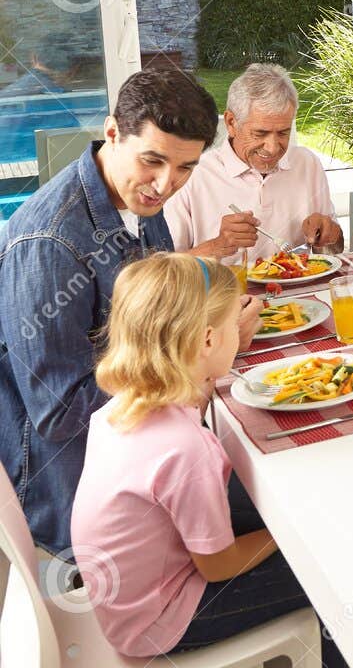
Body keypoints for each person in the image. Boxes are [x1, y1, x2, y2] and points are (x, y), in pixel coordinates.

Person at [71, 254, 353, 668]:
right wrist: (289, 531)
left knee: (293, 524)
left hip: (126, 599)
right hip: (161, 620)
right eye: (230, 326)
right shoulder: (184, 448)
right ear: (205, 340)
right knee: (333, 564)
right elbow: (217, 565)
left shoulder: (123, 408)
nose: (241, 332)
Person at [0, 66, 262, 559]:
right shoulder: (50, 242)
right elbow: (61, 415)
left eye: (185, 168)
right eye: (154, 161)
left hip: (151, 457)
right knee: (293, 524)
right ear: (112, 132)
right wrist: (195, 363)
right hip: (82, 496)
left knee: (283, 488)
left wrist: (215, 327)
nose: (166, 185)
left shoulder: (136, 196)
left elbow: (154, 324)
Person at [165, 63, 343, 263]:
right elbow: (166, 270)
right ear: (231, 123)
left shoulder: (307, 163)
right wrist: (218, 245)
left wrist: (330, 236)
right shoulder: (192, 173)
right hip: (222, 293)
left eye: (283, 132)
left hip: (295, 293)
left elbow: (334, 253)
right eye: (260, 133)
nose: (273, 148)